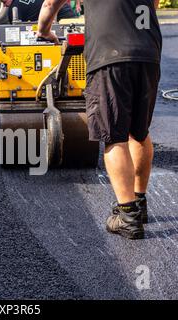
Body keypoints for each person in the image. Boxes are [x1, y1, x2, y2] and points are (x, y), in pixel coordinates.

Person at [37, 0, 162, 240]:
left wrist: (43, 32)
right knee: (139, 132)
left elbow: (51, 3)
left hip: (109, 56)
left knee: (113, 136)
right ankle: (138, 202)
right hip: (148, 52)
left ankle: (127, 216)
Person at [1, 0, 77, 23]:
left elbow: (15, 30)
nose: (4, 6)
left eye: (4, 2)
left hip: (61, 17)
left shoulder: (13, 7)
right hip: (66, 11)